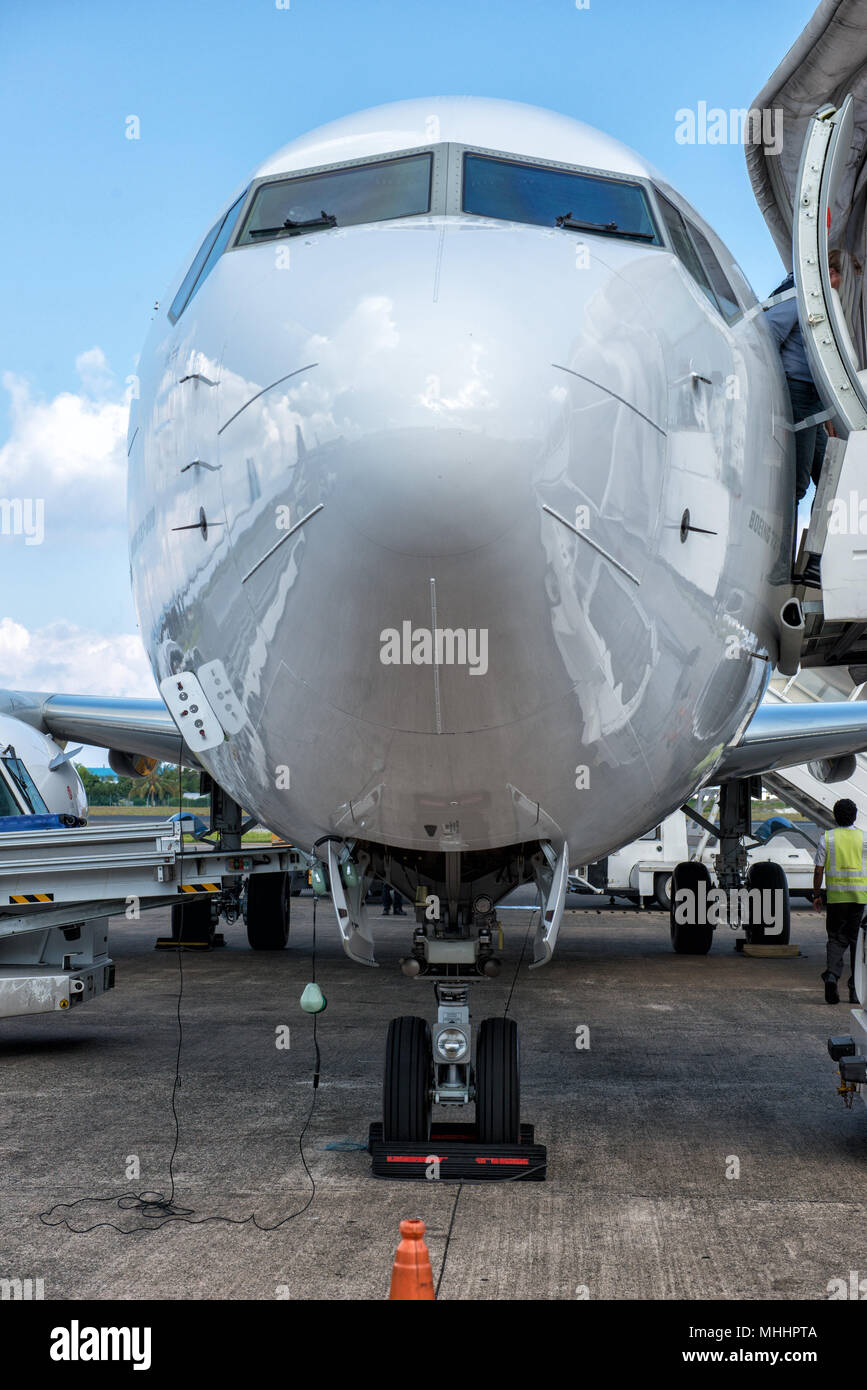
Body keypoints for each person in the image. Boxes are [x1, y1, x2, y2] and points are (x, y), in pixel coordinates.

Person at [812, 797, 865, 1004]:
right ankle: (854, 991)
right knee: (855, 942)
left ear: (835, 816)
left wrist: (816, 894)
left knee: (835, 938)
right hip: (860, 898)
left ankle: (832, 975)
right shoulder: (864, 838)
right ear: (855, 816)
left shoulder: (827, 838)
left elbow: (818, 870)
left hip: (835, 898)